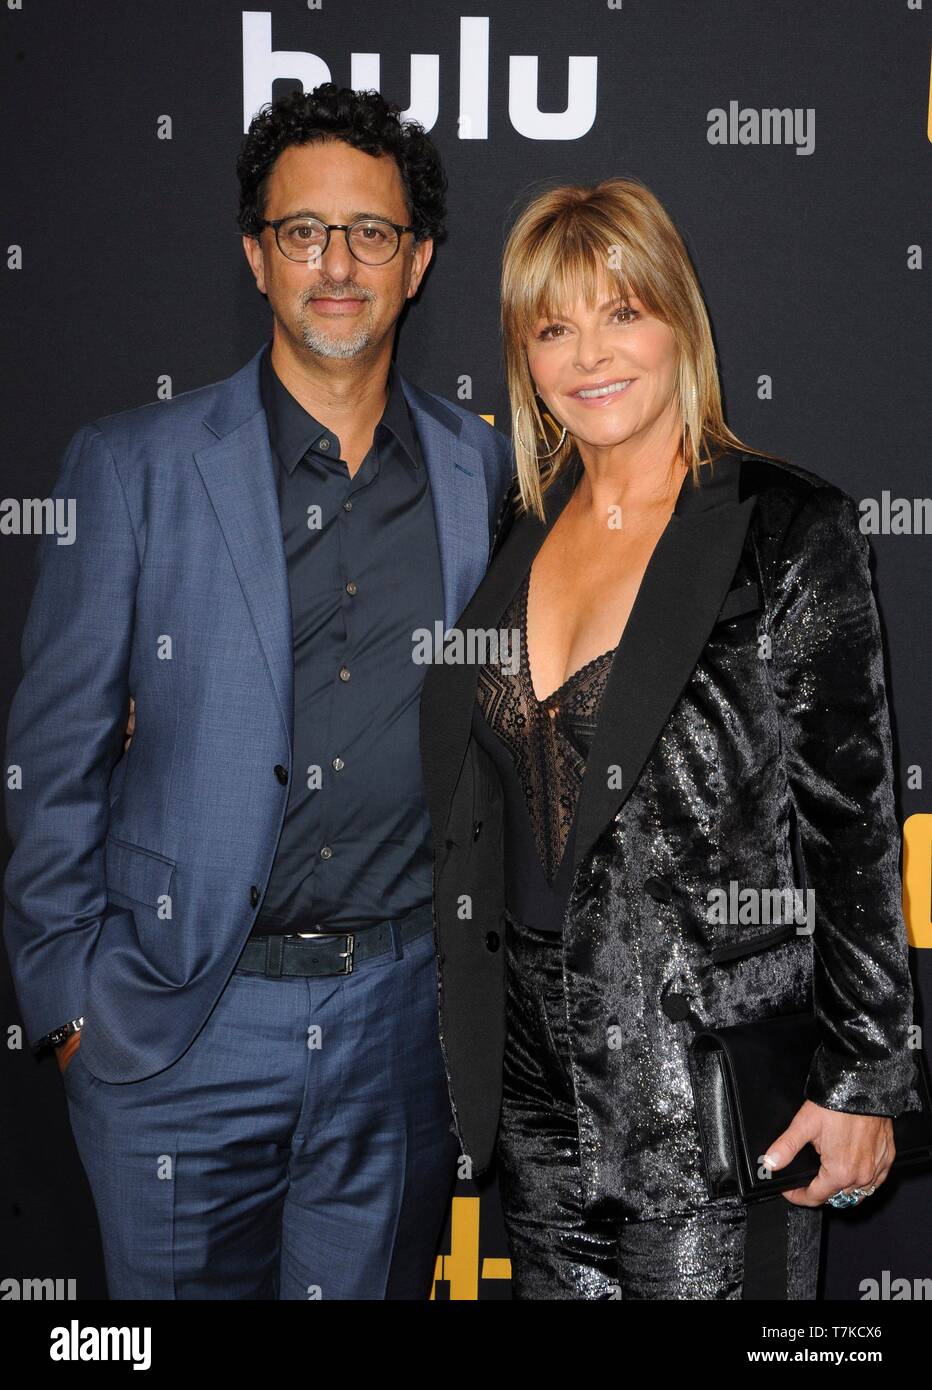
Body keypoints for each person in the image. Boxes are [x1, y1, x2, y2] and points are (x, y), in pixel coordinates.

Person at [2, 84, 513, 1299]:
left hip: (396, 1028)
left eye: (371, 233)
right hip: (175, 1027)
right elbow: (52, 754)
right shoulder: (131, 467)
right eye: (302, 231)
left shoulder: (479, 467)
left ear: (419, 258)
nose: (337, 264)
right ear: (256, 253)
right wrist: (72, 1001)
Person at [417, 176, 923, 1299]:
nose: (589, 353)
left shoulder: (781, 529)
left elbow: (852, 827)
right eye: (553, 326)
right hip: (534, 1085)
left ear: (677, 322)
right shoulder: (518, 528)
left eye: (621, 311)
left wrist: (862, 1078)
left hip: (703, 1091)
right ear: (524, 355)